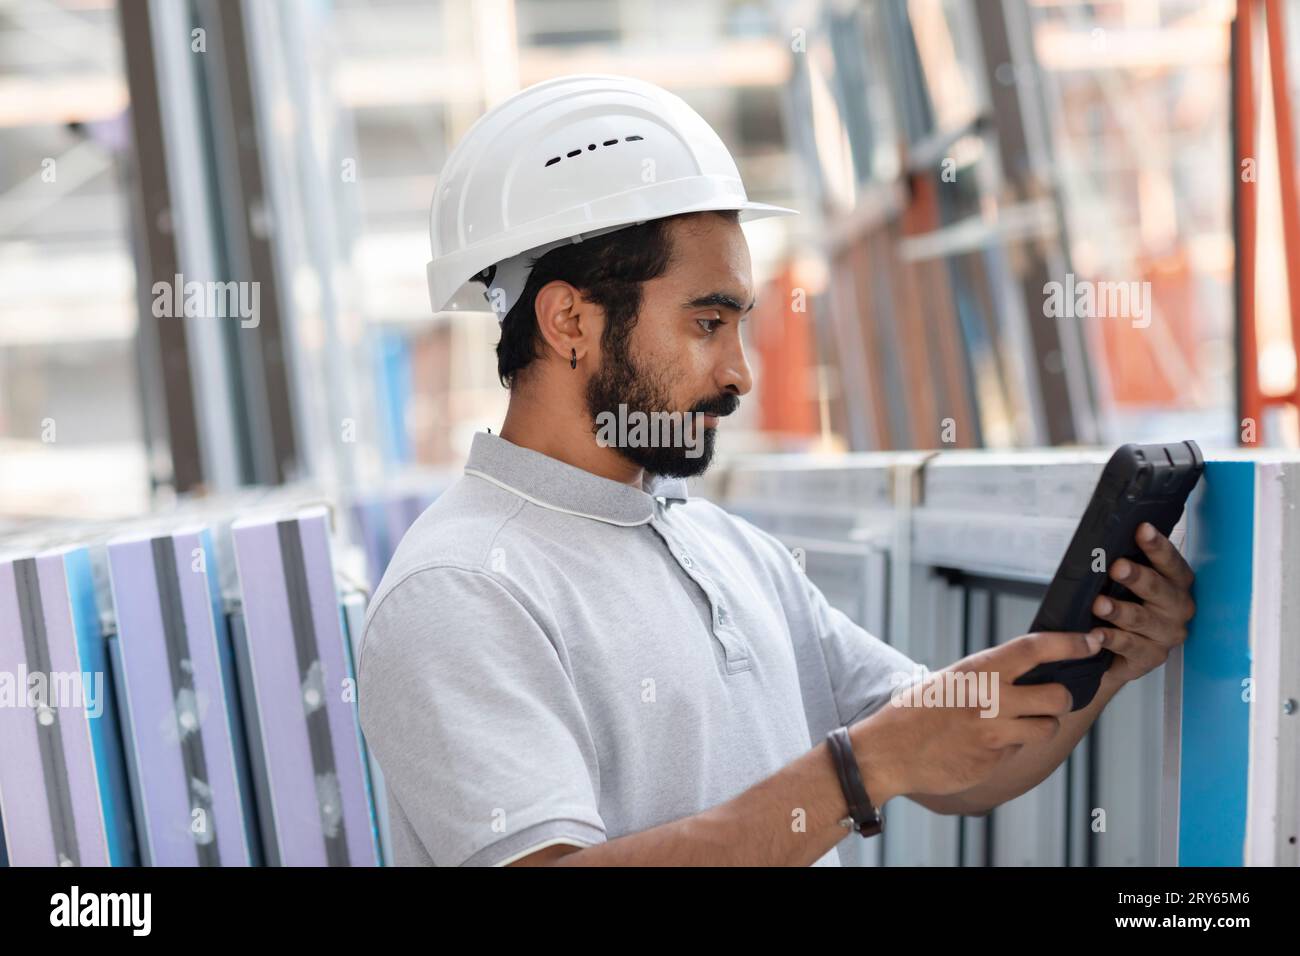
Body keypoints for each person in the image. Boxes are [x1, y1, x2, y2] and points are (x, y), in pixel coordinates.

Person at [356, 74, 1196, 866]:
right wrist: (859, 772)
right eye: (707, 322)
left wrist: (1102, 659)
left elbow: (960, 762)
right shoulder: (461, 587)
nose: (740, 373)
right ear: (569, 318)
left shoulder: (721, 546)